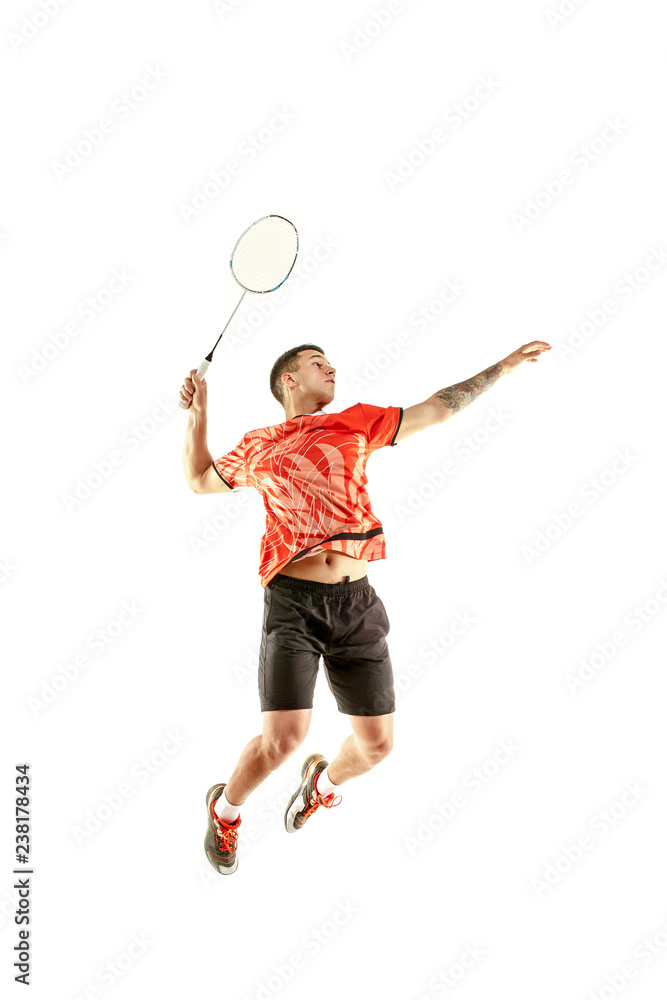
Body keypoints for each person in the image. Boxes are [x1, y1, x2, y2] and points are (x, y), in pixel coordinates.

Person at [180, 340, 551, 874]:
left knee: (376, 748)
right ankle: (226, 809)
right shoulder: (259, 445)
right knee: (283, 739)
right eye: (316, 364)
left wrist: (504, 367)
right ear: (288, 380)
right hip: (293, 604)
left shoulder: (355, 423)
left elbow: (437, 407)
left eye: (329, 363)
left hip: (355, 603)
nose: (331, 369)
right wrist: (199, 413)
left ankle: (322, 786)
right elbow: (198, 480)